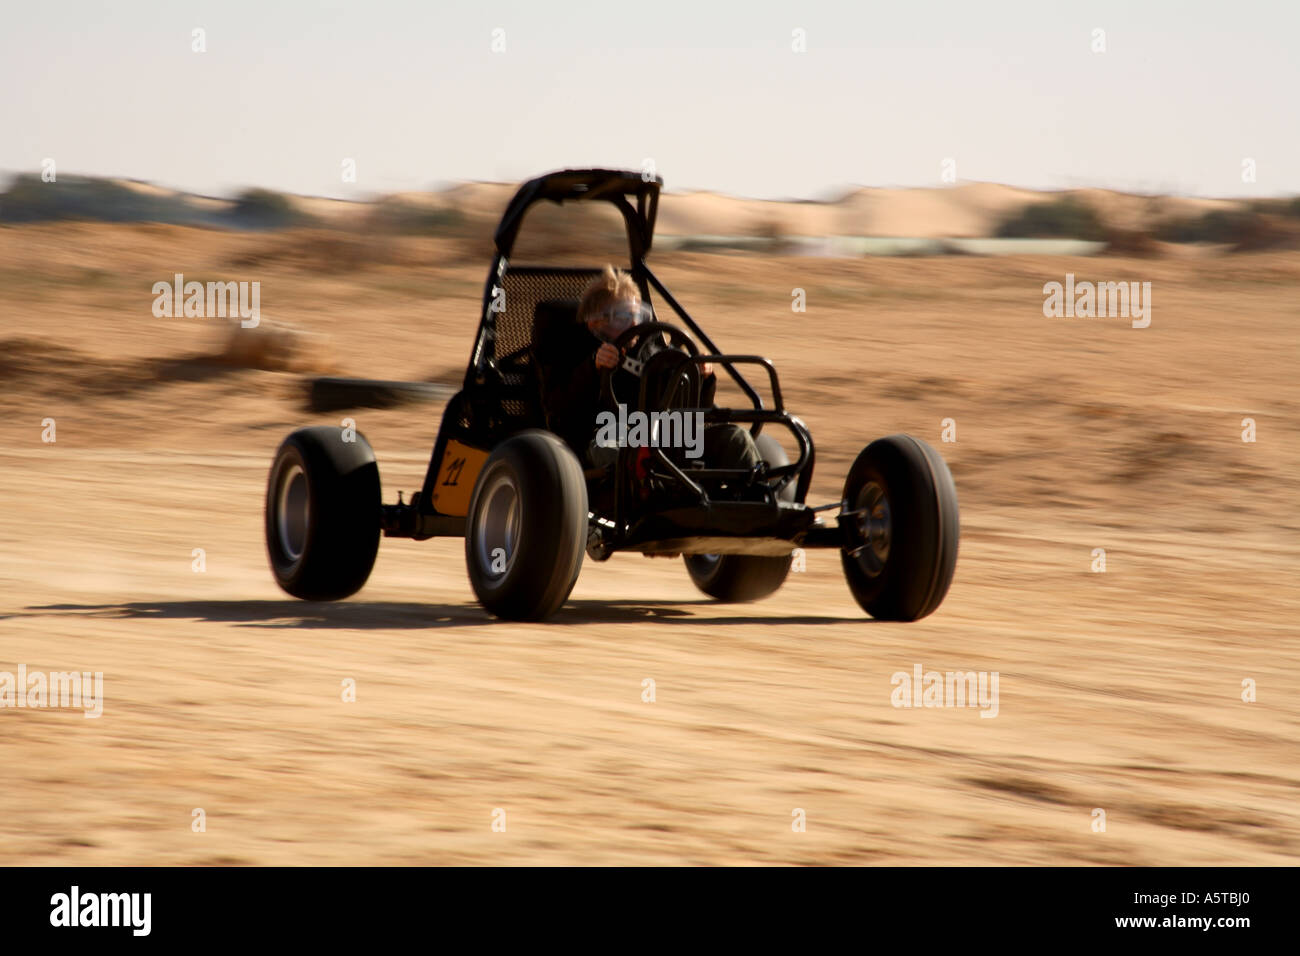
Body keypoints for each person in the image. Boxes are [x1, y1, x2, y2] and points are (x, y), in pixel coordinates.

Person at [534, 265, 760, 479]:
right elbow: (560, 412)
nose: (634, 323)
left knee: (736, 438)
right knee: (618, 449)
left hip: (664, 438)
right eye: (623, 317)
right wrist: (593, 368)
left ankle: (759, 505)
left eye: (638, 315)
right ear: (595, 323)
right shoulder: (571, 351)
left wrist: (702, 378)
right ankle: (656, 498)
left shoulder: (654, 351)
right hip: (604, 438)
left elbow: (694, 413)